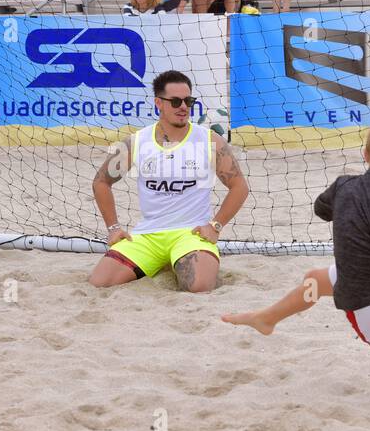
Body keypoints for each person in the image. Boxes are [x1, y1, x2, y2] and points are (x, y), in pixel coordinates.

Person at [221, 118, 370, 390]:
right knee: (314, 281)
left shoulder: (343, 186)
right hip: (363, 289)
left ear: (365, 155)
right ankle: (265, 319)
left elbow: (321, 209)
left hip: (360, 288)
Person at [88, 70, 249, 293]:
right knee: (99, 283)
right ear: (158, 103)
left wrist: (215, 226)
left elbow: (239, 187)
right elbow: (101, 182)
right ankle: (164, 262)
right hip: (148, 236)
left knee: (199, 287)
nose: (183, 106)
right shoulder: (137, 142)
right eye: (175, 101)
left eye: (188, 100)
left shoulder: (210, 140)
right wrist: (113, 227)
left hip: (190, 235)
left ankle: (184, 259)